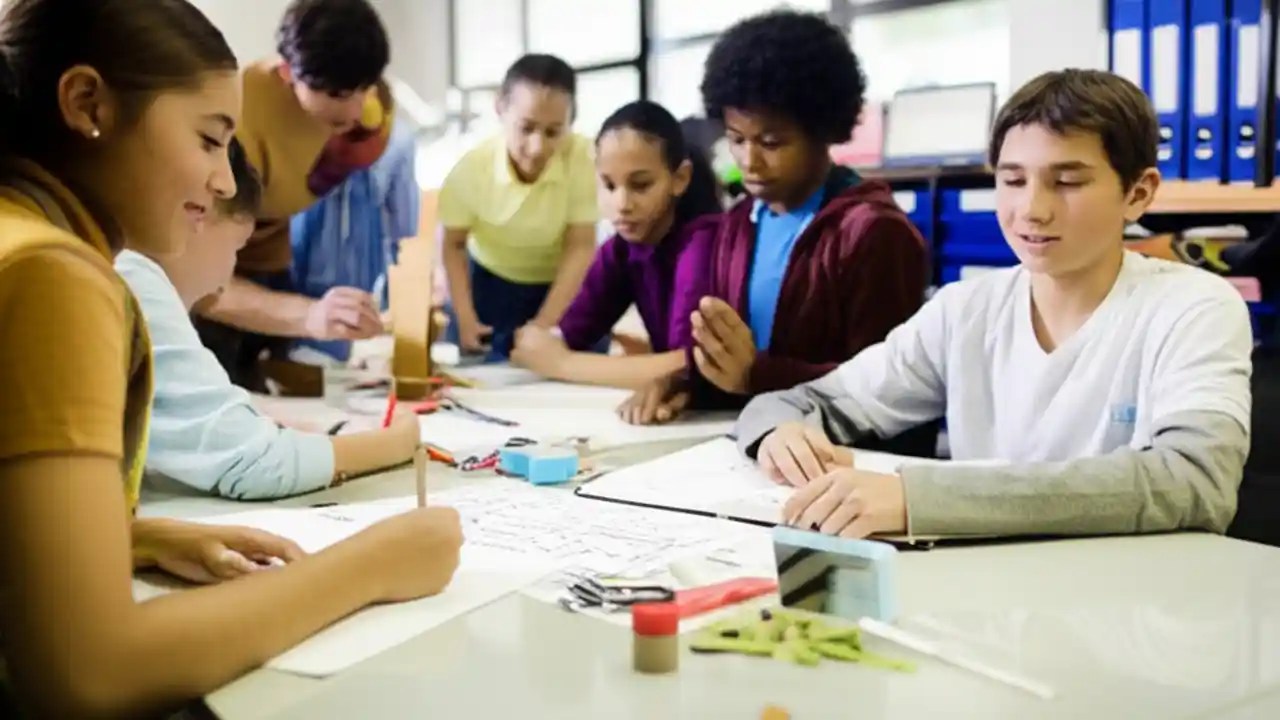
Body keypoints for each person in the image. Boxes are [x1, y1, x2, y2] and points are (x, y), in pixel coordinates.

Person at [0, 2, 460, 716]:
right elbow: (85, 670)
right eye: (211, 141)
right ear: (87, 103)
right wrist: (373, 565)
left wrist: (138, 538)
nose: (223, 181)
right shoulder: (55, 270)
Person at [736, 69, 1253, 540]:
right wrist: (779, 434)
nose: (1032, 209)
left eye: (1067, 181)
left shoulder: (1194, 307)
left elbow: (1194, 481)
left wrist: (924, 499)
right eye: (1012, 180)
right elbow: (800, 402)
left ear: (1138, 194)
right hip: (987, 593)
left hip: (1134, 603)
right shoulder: (966, 309)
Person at [654, 11, 928, 420]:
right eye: (736, 139)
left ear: (824, 130)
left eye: (771, 141)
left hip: (836, 466)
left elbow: (891, 391)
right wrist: (688, 386)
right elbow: (737, 373)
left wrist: (759, 376)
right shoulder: (738, 224)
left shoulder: (875, 234)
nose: (750, 162)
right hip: (748, 448)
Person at [116, 138, 420, 500]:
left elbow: (201, 408)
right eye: (237, 248)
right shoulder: (133, 276)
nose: (230, 271)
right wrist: (399, 441)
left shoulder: (125, 269)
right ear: (195, 214)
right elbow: (257, 464)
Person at [193, 0, 395, 390]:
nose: (355, 109)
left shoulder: (369, 108)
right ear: (287, 73)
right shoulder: (239, 124)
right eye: (337, 94)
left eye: (364, 89)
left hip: (272, 255)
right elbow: (201, 286)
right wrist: (309, 315)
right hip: (219, 278)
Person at [510, 100, 722, 422]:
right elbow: (571, 334)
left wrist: (560, 363)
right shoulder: (621, 249)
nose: (621, 204)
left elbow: (690, 366)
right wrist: (541, 342)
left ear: (680, 178)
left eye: (640, 185)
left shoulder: (703, 243)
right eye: (608, 185)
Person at [439, 53, 600, 361]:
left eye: (553, 132)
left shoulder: (584, 158)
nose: (537, 147)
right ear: (500, 108)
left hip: (561, 281)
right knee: (487, 360)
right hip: (491, 280)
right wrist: (465, 316)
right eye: (526, 128)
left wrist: (544, 325)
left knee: (574, 358)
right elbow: (453, 245)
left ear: (571, 121)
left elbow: (581, 246)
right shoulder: (471, 169)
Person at [290, 121, 420, 363]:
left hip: (359, 282)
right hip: (293, 285)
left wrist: (407, 302)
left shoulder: (398, 141)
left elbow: (404, 236)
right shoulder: (299, 129)